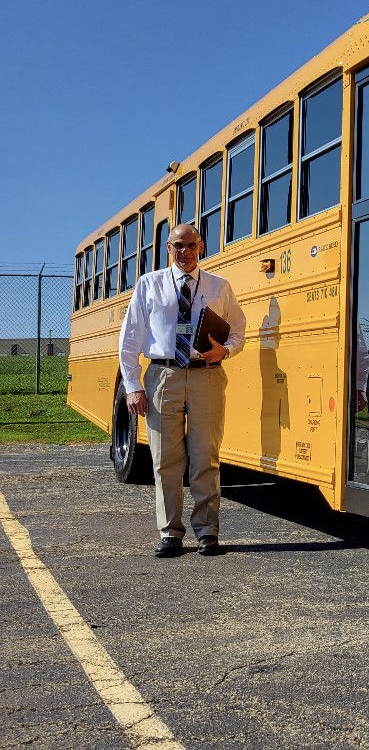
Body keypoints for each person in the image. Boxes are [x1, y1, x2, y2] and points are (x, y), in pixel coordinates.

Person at [118, 223, 246, 557]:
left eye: (190, 245)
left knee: (206, 455)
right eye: (177, 246)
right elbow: (130, 339)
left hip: (207, 375)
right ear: (168, 249)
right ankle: (171, 533)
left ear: (201, 247)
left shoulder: (220, 286)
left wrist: (226, 351)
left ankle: (207, 532)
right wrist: (132, 386)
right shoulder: (150, 285)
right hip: (163, 376)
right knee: (165, 460)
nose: (184, 252)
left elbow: (238, 330)